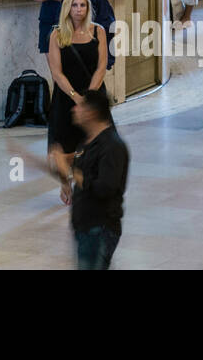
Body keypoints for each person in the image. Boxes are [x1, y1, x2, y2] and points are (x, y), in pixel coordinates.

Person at [47, 0, 109, 201]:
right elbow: (56, 72)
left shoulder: (98, 31)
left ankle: (91, 185)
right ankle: (66, 183)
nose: (79, 10)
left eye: (82, 5)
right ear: (67, 8)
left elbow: (101, 67)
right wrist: (76, 98)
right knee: (65, 147)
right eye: (74, 5)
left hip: (94, 96)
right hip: (66, 98)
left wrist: (89, 100)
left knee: (96, 144)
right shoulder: (57, 35)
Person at [68, 88, 129, 270]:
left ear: (91, 113)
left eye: (79, 106)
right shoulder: (87, 143)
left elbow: (105, 188)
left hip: (100, 228)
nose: (74, 110)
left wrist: (73, 173)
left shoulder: (112, 146)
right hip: (85, 227)